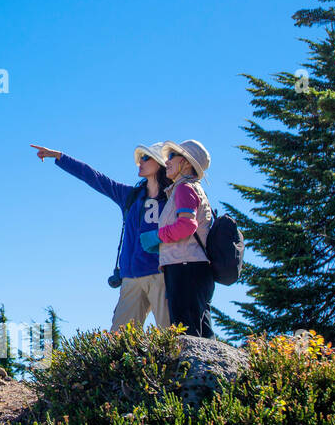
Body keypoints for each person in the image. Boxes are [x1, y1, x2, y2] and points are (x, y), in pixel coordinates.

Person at [31, 143, 170, 330]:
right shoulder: (130, 196)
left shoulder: (172, 198)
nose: (140, 162)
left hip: (161, 274)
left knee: (171, 334)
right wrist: (60, 157)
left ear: (160, 164)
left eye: (145, 158)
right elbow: (95, 178)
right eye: (139, 158)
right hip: (130, 278)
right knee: (120, 341)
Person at [139, 139, 215, 338]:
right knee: (202, 332)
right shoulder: (189, 188)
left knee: (186, 334)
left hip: (184, 268)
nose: (168, 161)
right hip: (194, 267)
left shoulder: (184, 188)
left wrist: (157, 236)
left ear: (187, 163)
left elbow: (187, 225)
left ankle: (193, 369)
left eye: (173, 156)